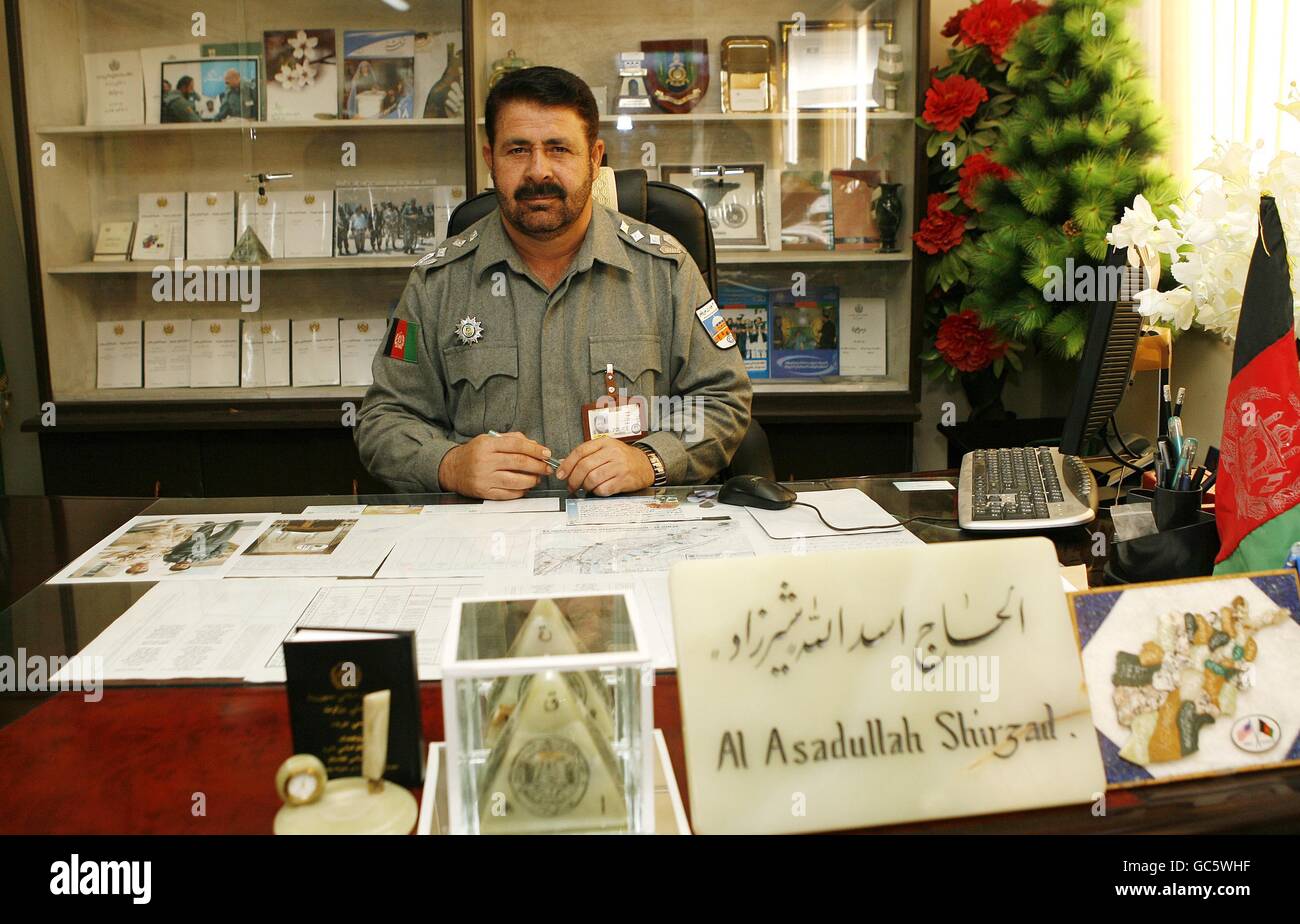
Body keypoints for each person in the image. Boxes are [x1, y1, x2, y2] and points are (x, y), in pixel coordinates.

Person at [355, 66, 752, 499]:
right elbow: (384, 418)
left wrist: (651, 460)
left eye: (559, 149)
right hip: (489, 541)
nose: (538, 171)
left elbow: (722, 400)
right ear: (491, 160)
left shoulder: (665, 270)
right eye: (518, 150)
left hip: (632, 536)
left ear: (595, 158)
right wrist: (449, 464)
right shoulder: (436, 283)